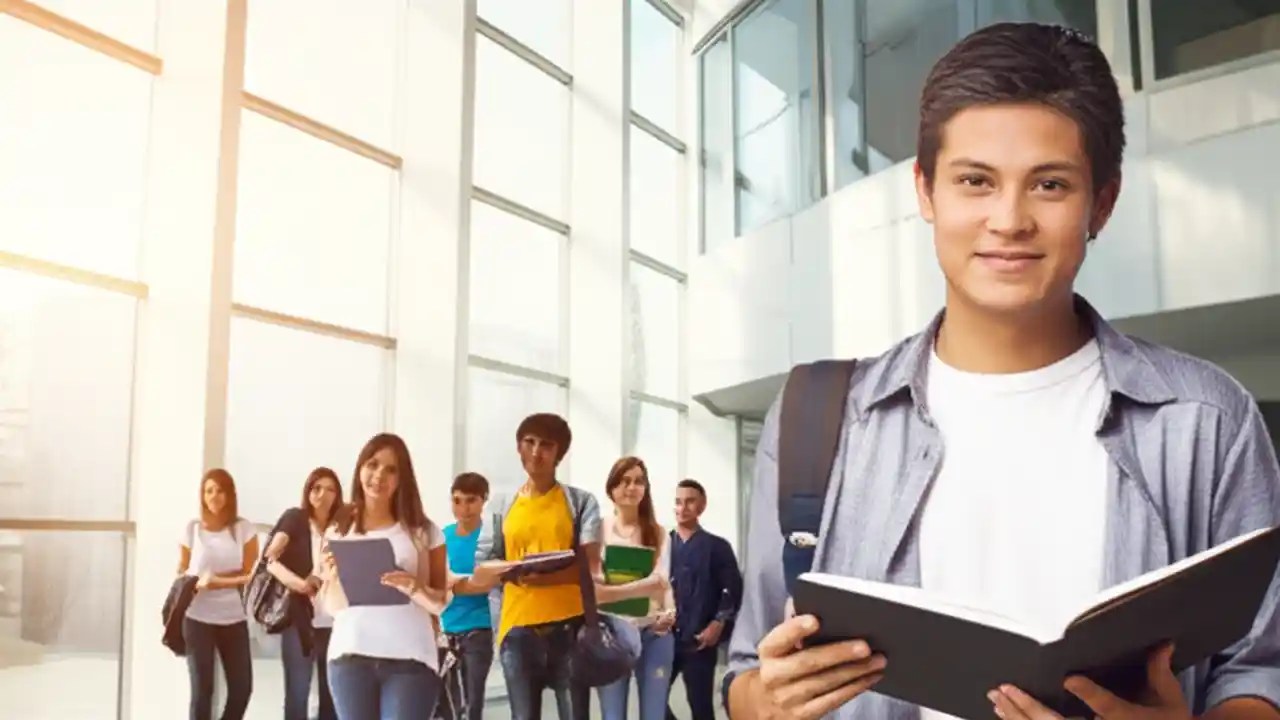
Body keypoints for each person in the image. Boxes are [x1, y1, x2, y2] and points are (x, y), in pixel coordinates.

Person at [724, 21, 1280, 720]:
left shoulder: (1208, 422)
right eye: (975, 182)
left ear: (1100, 203)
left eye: (1049, 184)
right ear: (925, 192)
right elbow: (747, 674)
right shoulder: (819, 418)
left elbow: (1260, 674)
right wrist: (764, 702)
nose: (1009, 220)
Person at [455, 413, 661, 720]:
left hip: (571, 631)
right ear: (519, 448)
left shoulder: (580, 502)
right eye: (529, 442)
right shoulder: (501, 506)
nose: (536, 451)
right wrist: (505, 571)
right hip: (517, 630)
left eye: (546, 445)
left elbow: (589, 566)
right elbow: (484, 566)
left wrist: (539, 578)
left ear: (559, 453)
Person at [317, 433, 449, 719]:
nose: (379, 475)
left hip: (410, 659)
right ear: (360, 468)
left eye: (391, 469)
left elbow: (440, 604)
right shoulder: (338, 529)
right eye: (373, 464)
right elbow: (332, 608)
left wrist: (414, 587)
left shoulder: (423, 531)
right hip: (350, 655)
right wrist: (333, 579)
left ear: (403, 478)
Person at [597, 457, 677, 720]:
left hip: (654, 633)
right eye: (624, 481)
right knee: (612, 715)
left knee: (654, 715)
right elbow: (595, 591)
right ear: (611, 488)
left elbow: (663, 584)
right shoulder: (597, 530)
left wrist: (670, 610)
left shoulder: (658, 533)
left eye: (638, 481)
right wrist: (645, 585)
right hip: (612, 636)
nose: (631, 487)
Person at [177, 468, 259, 720]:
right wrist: (185, 577)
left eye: (220, 490)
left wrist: (217, 581)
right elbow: (181, 567)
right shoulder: (192, 528)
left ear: (229, 495)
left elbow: (250, 575)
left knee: (242, 689)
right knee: (202, 691)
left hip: (233, 618)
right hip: (197, 617)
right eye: (209, 490)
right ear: (202, 495)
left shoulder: (243, 528)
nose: (214, 496)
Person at [263, 467, 344, 720]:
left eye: (330, 489)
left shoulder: (342, 527)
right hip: (299, 618)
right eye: (317, 488)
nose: (323, 494)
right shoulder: (296, 519)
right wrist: (300, 584)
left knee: (332, 695)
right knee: (298, 693)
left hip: (333, 618)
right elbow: (271, 558)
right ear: (308, 492)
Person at [666, 479, 741, 720]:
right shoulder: (662, 545)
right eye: (678, 502)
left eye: (690, 501)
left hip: (699, 641)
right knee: (654, 704)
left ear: (702, 506)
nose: (683, 508)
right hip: (665, 640)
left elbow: (732, 590)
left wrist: (718, 623)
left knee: (701, 709)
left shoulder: (717, 547)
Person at [437, 472, 496, 720]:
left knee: (473, 704)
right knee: (448, 705)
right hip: (447, 629)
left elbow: (488, 583)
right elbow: (435, 579)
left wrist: (454, 583)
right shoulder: (443, 535)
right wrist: (464, 581)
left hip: (479, 629)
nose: (463, 508)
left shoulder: (490, 537)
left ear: (484, 500)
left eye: (471, 500)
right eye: (457, 501)